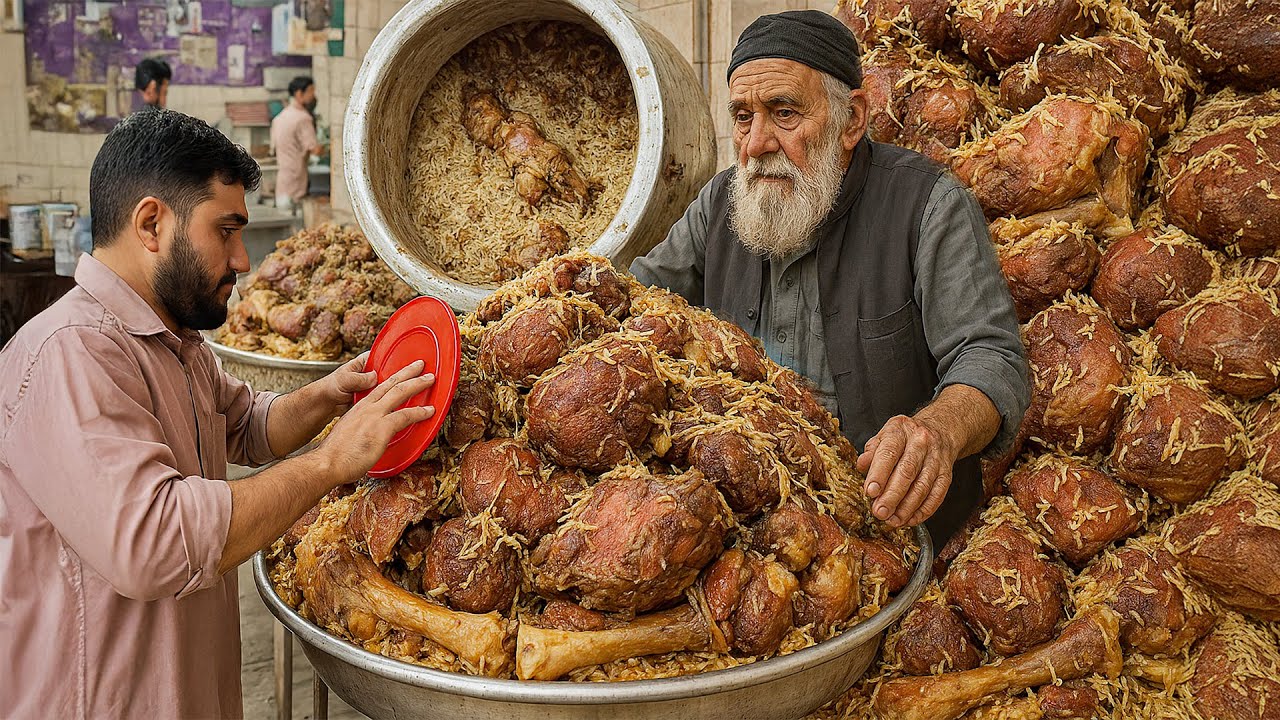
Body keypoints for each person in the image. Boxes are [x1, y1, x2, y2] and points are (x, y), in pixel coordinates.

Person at [0, 110, 434, 718]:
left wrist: (332, 393)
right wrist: (332, 462)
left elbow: (247, 425)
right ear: (151, 223)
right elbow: (153, 542)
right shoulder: (71, 353)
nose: (241, 260)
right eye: (225, 231)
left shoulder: (175, 340)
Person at [630, 11, 1029, 544]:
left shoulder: (928, 205)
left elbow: (991, 356)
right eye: (743, 117)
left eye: (785, 113)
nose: (756, 144)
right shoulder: (720, 204)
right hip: (749, 531)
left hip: (894, 533)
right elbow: (636, 306)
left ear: (851, 120)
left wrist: (938, 430)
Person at [271, 76, 325, 212]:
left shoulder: (279, 118)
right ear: (299, 94)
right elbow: (315, 150)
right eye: (311, 92)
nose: (314, 96)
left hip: (283, 182)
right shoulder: (303, 119)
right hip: (296, 184)